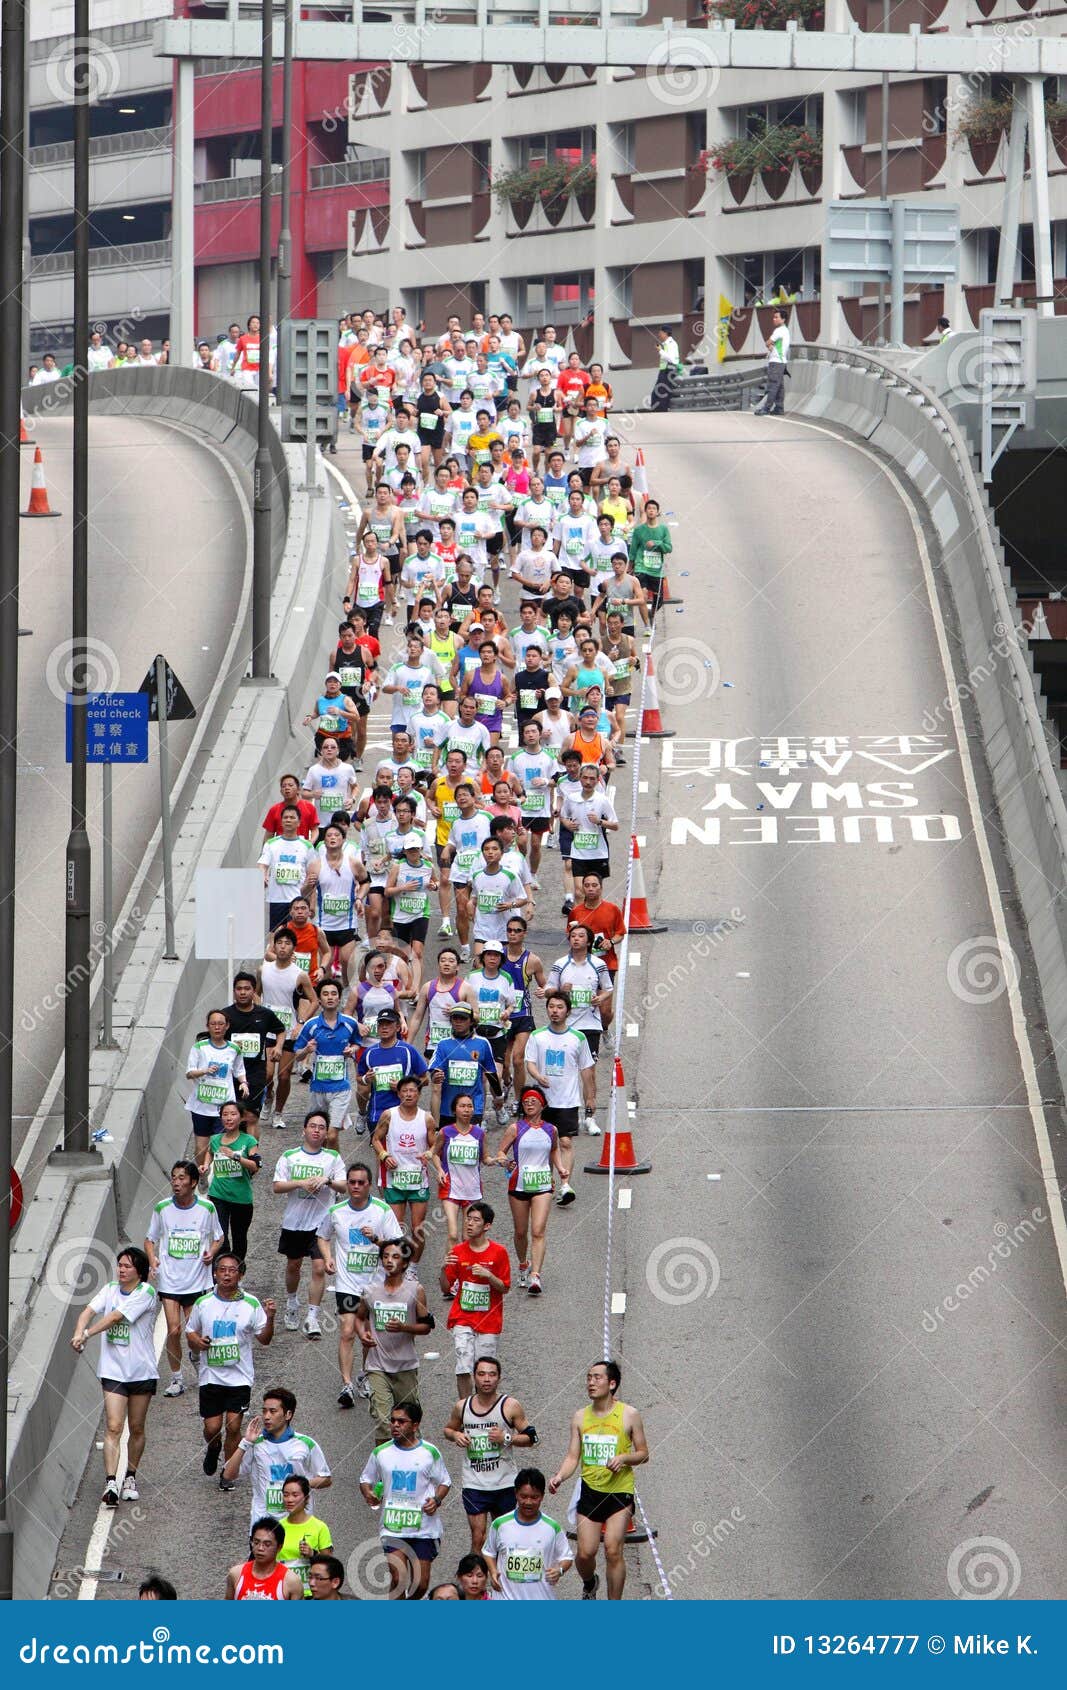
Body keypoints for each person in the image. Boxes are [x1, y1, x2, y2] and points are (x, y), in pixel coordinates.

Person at [549, 1359, 649, 1600]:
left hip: (619, 1492)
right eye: (589, 1378)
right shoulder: (580, 1417)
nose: (591, 1383)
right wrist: (560, 1476)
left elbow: (644, 1453)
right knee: (584, 1554)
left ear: (612, 1383)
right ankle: (589, 1582)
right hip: (590, 1491)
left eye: (597, 1378)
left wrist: (624, 1458)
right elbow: (573, 1456)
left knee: (613, 1549)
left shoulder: (629, 1414)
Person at [70, 1246, 158, 1508]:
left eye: (127, 1266)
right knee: (114, 1426)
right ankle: (111, 1482)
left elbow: (115, 1317)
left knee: (137, 1427)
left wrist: (87, 1335)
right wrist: (78, 1331)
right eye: (119, 1265)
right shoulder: (109, 1289)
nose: (121, 1269)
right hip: (113, 1371)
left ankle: (130, 1476)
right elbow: (88, 1311)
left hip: (141, 1371)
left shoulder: (146, 1293)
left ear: (139, 1271)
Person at [317, 1159, 403, 1406]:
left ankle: (364, 1374)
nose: (355, 1186)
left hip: (375, 1285)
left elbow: (398, 1247)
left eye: (360, 1183)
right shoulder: (336, 1212)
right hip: (347, 1283)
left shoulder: (381, 1210)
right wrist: (328, 1257)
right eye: (351, 1182)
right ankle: (346, 1385)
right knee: (346, 1331)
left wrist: (376, 1239)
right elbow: (322, 1237)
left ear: (369, 1185)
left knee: (369, 1333)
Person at [186, 1252, 274, 1482]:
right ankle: (213, 1446)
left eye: (232, 1270)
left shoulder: (251, 1304)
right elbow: (190, 1333)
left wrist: (271, 1317)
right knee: (213, 1427)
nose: (227, 1274)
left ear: (240, 1275)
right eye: (222, 1270)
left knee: (234, 1428)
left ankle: (227, 1472)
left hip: (240, 1378)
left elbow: (264, 1339)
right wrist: (198, 1342)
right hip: (210, 1376)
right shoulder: (203, 1303)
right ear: (214, 1274)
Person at [443, 1353, 538, 1554]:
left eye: (492, 1375)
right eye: (482, 1374)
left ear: (499, 1378)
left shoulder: (509, 1406)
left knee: (506, 1537)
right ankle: (475, 1583)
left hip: (504, 1482)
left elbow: (532, 1438)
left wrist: (506, 1437)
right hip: (474, 1482)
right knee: (479, 1537)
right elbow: (448, 1430)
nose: (487, 1379)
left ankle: (502, 1582)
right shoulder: (462, 1407)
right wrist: (456, 1436)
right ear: (474, 1377)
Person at [145, 1161, 224, 1398]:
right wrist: (152, 1260)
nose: (176, 1183)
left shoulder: (207, 1209)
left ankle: (196, 1355)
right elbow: (150, 1239)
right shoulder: (162, 1208)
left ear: (192, 1182)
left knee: (194, 1333)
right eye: (173, 1177)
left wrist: (212, 1252)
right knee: (173, 1329)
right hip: (170, 1281)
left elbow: (218, 1237)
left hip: (198, 1281)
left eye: (181, 1178)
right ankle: (177, 1378)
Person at [359, 1400, 450, 1600]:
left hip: (424, 1527)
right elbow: (366, 1479)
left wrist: (437, 1499)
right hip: (393, 1525)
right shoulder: (381, 1453)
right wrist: (368, 1493)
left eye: (402, 1421)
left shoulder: (429, 1452)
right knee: (398, 1578)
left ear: (415, 1425)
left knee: (421, 1584)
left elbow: (445, 1482)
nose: (395, 1425)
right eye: (392, 1421)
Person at [272, 1109, 347, 1339]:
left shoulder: (332, 1158)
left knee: (318, 1268)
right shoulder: (289, 1156)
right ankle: (292, 1302)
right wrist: (300, 1183)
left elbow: (344, 1186)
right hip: (294, 1222)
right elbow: (276, 1186)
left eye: (321, 1127)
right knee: (293, 1266)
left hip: (321, 1224)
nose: (317, 1130)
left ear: (326, 1134)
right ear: (304, 1130)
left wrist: (328, 1180)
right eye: (313, 1126)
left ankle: (312, 1318)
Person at [355, 1241, 433, 1443]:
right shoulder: (370, 1291)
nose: (389, 1261)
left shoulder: (415, 1290)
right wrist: (362, 1334)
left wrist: (404, 1327)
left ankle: (413, 1460)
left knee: (407, 1420)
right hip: (377, 1364)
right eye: (386, 1256)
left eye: (396, 1257)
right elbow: (359, 1317)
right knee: (383, 1422)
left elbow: (426, 1327)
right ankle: (383, 1468)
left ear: (406, 1263)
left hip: (405, 1364)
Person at [524, 992, 597, 1206]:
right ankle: (547, 1183)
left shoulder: (578, 1038)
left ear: (568, 1011)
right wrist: (538, 1076)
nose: (555, 1011)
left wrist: (590, 1097)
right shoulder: (537, 1036)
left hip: (567, 1100)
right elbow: (530, 1063)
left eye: (559, 1007)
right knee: (544, 1144)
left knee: (565, 1142)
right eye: (551, 1007)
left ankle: (565, 1184)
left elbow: (586, 1069)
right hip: (542, 1101)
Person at [222, 1385, 332, 1516]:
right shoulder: (255, 1443)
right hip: (263, 1522)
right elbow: (228, 1475)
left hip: (298, 1521)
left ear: (288, 1414)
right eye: (264, 1411)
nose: (266, 1417)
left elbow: (326, 1479)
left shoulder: (305, 1443)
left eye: (272, 1411)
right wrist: (245, 1442)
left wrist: (300, 1485)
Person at [440, 1200, 510, 1398]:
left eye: (475, 1220)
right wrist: (443, 1268)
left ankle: (483, 1408)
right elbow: (445, 1287)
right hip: (462, 1317)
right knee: (463, 1363)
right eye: (468, 1219)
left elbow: (504, 1287)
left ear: (486, 1226)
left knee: (484, 1371)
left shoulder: (499, 1253)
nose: (469, 1224)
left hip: (489, 1321)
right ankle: (465, 1409)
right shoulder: (458, 1251)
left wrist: (489, 1276)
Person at [496, 1087, 563, 1291]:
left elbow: (554, 1151)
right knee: (520, 1232)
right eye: (526, 1101)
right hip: (519, 1185)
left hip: (543, 1185)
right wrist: (504, 1161)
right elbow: (501, 1152)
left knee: (538, 1231)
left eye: (534, 1100)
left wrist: (560, 1169)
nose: (530, 1104)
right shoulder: (516, 1128)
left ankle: (536, 1276)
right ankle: (523, 1265)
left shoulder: (551, 1130)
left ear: (542, 1104)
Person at [371, 1074, 436, 1258]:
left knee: (418, 1229)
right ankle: (396, 1269)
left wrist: (429, 1154)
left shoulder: (427, 1118)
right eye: (404, 1091)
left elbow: (434, 1144)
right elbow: (376, 1139)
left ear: (419, 1094)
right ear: (398, 1094)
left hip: (418, 1181)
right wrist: (384, 1156)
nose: (408, 1094)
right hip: (394, 1179)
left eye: (412, 1091)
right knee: (395, 1229)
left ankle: (412, 1268)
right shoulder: (389, 1115)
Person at [259, 927, 317, 1130]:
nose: (282, 947)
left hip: (290, 1030)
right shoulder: (263, 969)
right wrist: (260, 1012)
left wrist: (301, 1022)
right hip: (267, 1031)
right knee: (266, 1074)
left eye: (287, 943)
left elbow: (314, 1000)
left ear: (293, 948)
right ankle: (268, 1096)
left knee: (284, 1075)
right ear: (273, 946)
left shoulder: (299, 975)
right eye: (279, 943)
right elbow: (256, 993)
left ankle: (278, 1112)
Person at [484, 1468, 572, 1599]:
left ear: (542, 1496)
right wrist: (493, 1571)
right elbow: (488, 1552)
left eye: (534, 1497)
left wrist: (559, 1570)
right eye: (523, 1496)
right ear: (515, 1494)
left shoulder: (552, 1527)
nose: (528, 1502)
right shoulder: (500, 1524)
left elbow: (567, 1557)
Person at [292, 976, 360, 1146]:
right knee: (319, 1137)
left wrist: (352, 1050)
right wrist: (306, 1050)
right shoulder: (311, 1025)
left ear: (339, 998)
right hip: (318, 1089)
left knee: (331, 1134)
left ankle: (336, 1172)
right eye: (325, 994)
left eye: (333, 994)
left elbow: (357, 1044)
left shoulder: (350, 1024)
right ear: (320, 999)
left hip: (340, 1089)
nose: (330, 997)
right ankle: (323, 1167)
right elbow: (297, 1055)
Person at [223, 972, 286, 1139]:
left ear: (254, 992)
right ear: (234, 991)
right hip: (230, 1074)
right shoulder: (225, 1015)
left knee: (250, 1117)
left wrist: (278, 1047)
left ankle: (252, 1157)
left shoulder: (264, 1014)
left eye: (247, 989)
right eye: (239, 989)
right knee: (231, 1117)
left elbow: (280, 1031)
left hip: (256, 1072)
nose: (242, 992)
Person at [200, 1100, 261, 1263]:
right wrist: (205, 1166)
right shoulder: (215, 1139)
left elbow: (255, 1166)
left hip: (241, 1197)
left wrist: (235, 1156)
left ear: (241, 1118)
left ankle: (237, 1271)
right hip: (218, 1196)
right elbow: (210, 1152)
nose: (229, 1118)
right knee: (221, 1238)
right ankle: (223, 1272)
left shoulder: (249, 1141)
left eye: (233, 1114)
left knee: (239, 1239)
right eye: (225, 1114)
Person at [183, 1009, 248, 1157]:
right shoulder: (199, 1047)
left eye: (220, 1024)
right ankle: (202, 1178)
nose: (217, 1027)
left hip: (225, 1106)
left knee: (221, 1147)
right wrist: (205, 1071)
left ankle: (215, 1179)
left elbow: (239, 1070)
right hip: (201, 1106)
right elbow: (189, 1073)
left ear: (227, 1026)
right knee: (201, 1147)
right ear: (208, 1026)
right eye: (213, 1024)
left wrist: (243, 1083)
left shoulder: (234, 1048)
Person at [278, 1474, 333, 1596]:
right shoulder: (276, 1528)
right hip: (282, 1593)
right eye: (286, 1495)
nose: (289, 1499)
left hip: (310, 1594)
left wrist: (312, 1554)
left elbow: (330, 1565)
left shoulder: (319, 1527)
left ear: (307, 1498)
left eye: (295, 1495)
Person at [225, 1518, 304, 1600]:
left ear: (279, 1547)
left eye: (267, 1544)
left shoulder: (291, 1582)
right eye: (256, 1542)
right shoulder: (236, 1574)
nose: (260, 1548)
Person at [753, 306, 789, 416]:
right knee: (779, 386)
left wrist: (770, 346)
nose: (774, 319)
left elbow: (768, 342)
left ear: (783, 319)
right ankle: (779, 408)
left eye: (776, 317)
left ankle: (766, 408)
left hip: (776, 361)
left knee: (772, 385)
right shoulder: (785, 330)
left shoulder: (778, 330)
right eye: (773, 317)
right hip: (782, 361)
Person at [650, 325, 682, 412]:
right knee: (657, 393)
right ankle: (657, 410)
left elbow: (672, 359)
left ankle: (661, 411)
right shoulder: (665, 344)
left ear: (666, 333)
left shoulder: (672, 344)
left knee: (661, 392)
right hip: (664, 371)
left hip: (669, 371)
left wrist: (660, 351)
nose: (659, 334)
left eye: (661, 332)